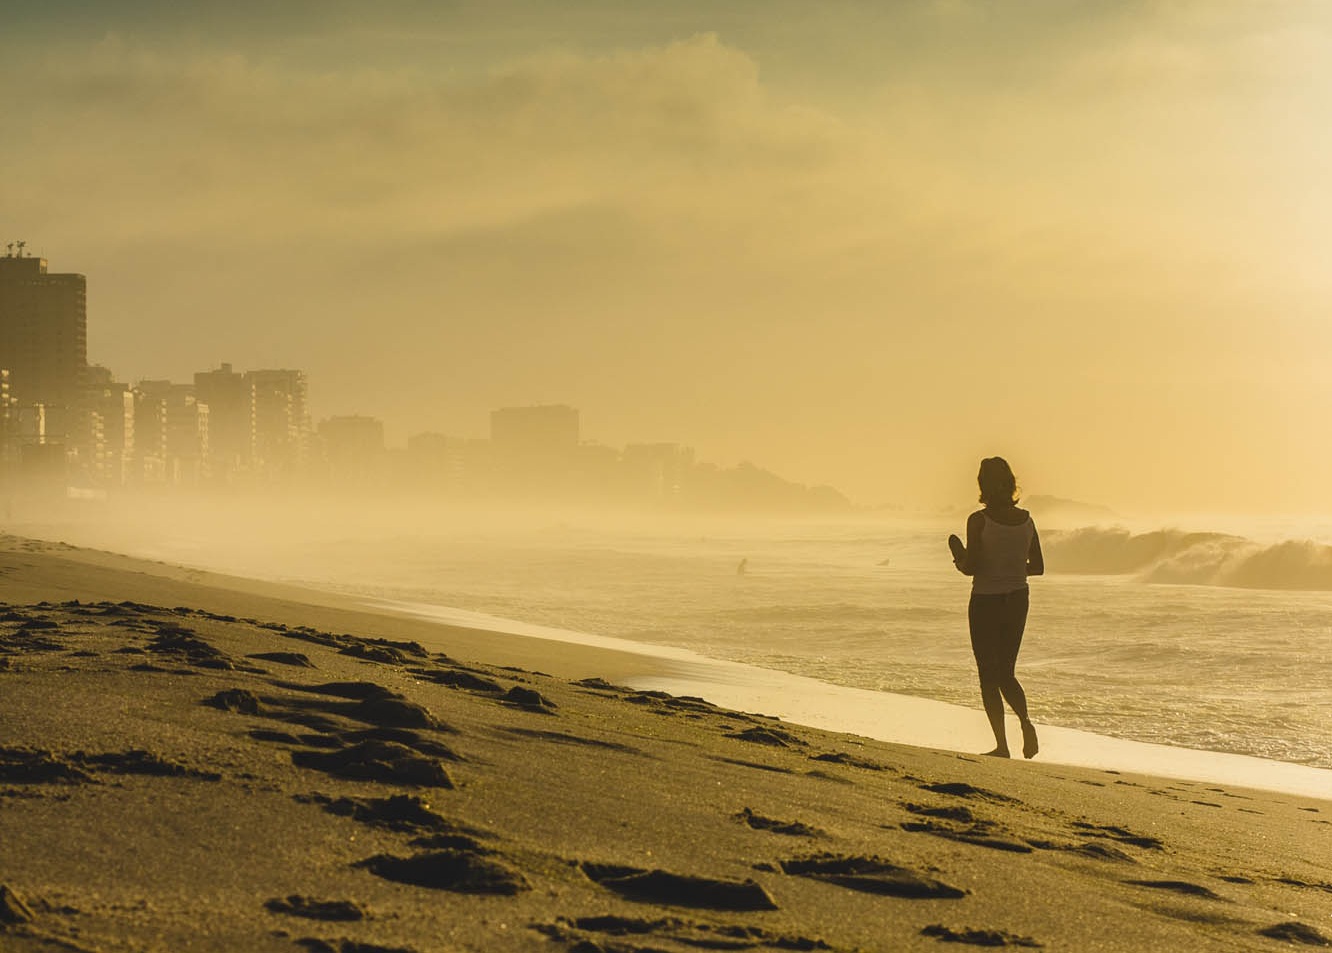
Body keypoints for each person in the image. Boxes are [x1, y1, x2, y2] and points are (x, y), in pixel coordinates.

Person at [948, 457, 1044, 759]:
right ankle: (1026, 723)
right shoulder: (1027, 519)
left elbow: (972, 567)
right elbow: (1038, 567)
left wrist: (958, 557)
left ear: (982, 485)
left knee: (987, 673)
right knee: (1007, 672)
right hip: (1018, 599)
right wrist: (1011, 568)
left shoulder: (979, 520)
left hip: (986, 600)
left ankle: (1002, 745)